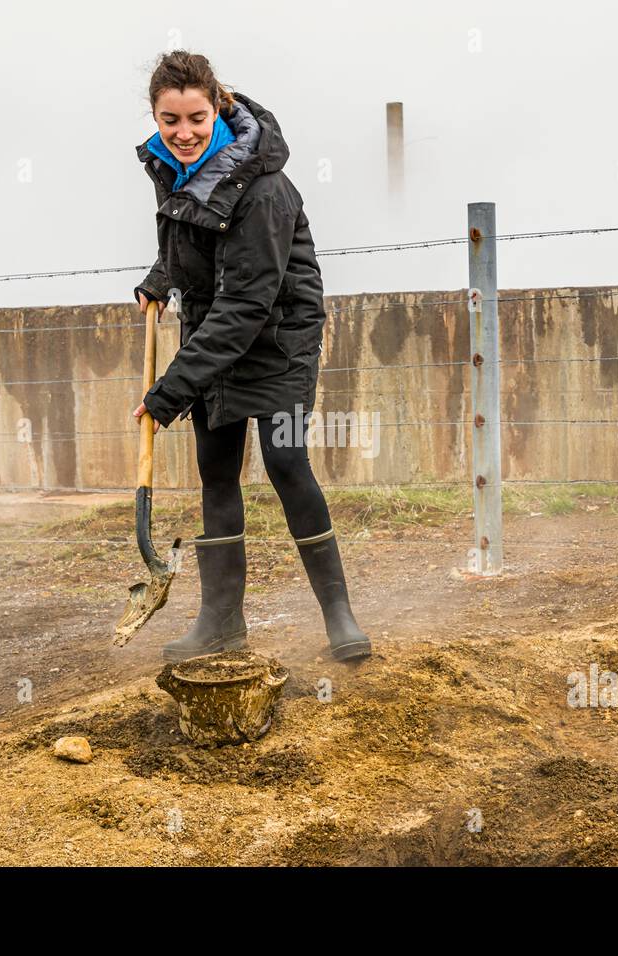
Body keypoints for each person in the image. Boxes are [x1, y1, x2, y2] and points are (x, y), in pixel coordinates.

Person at [131, 50, 372, 664]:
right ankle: (220, 622)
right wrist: (161, 277)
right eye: (169, 120)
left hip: (278, 342)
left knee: (287, 461)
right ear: (155, 118)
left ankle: (338, 614)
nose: (182, 133)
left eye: (195, 118)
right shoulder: (176, 169)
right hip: (217, 337)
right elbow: (197, 242)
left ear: (219, 108)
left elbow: (245, 303)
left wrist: (169, 391)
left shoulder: (263, 187)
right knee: (217, 472)